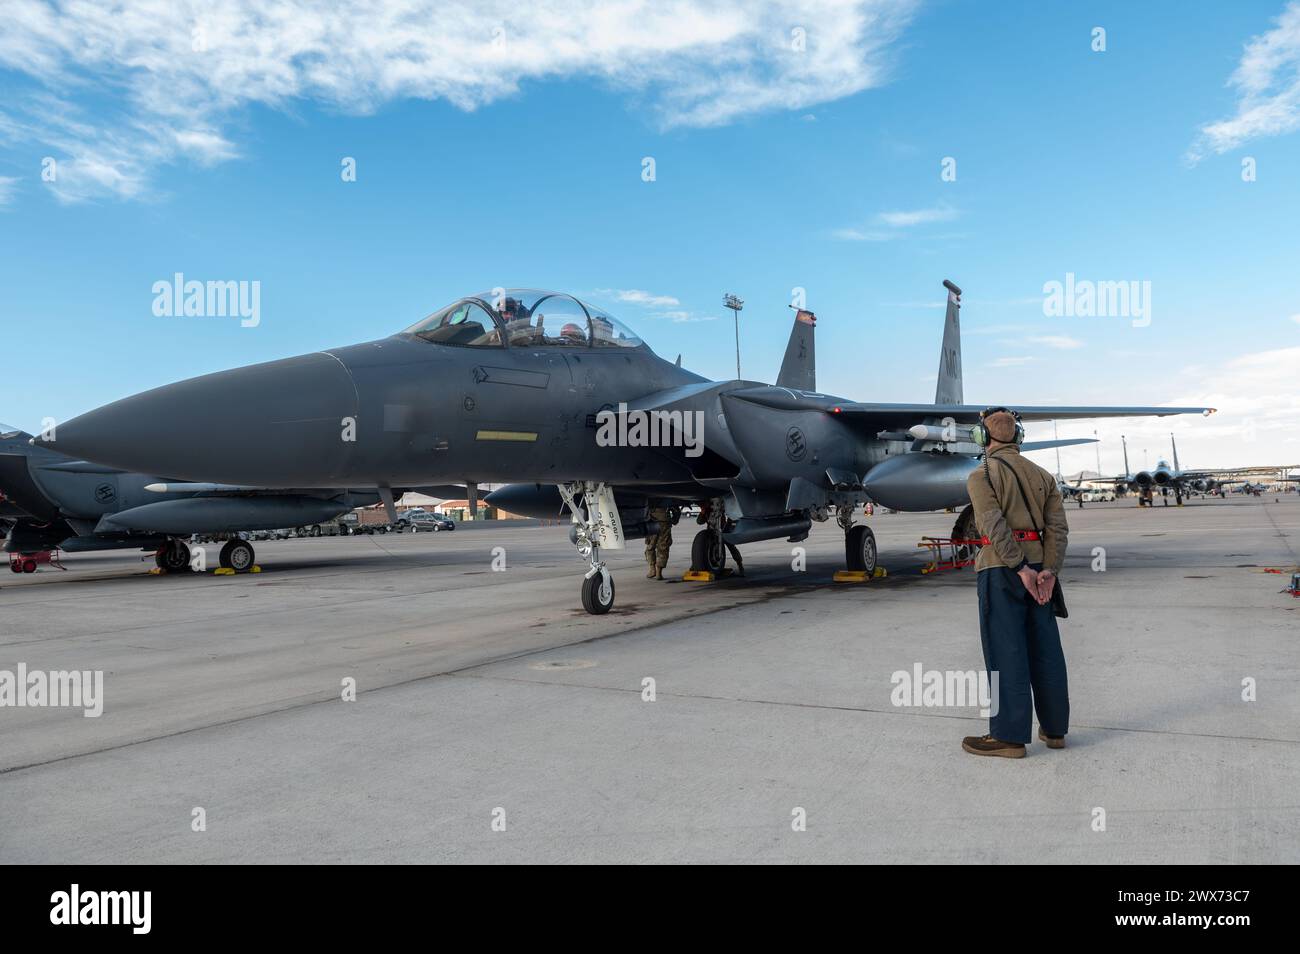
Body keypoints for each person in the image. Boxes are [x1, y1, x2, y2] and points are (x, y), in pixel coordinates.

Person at [962, 407, 1070, 759]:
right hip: (1042, 570)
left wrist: (1020, 567)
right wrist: (1047, 570)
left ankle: (1008, 737)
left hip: (1002, 569)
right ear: (1019, 436)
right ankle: (1054, 731)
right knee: (1046, 650)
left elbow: (992, 524)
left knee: (1006, 651)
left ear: (982, 437)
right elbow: (1057, 529)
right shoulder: (1044, 476)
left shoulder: (982, 475)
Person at [644, 505, 672, 580]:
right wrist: (674, 519)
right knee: (663, 546)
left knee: (650, 546)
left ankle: (652, 569)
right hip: (665, 521)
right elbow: (675, 509)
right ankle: (659, 572)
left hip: (652, 520)